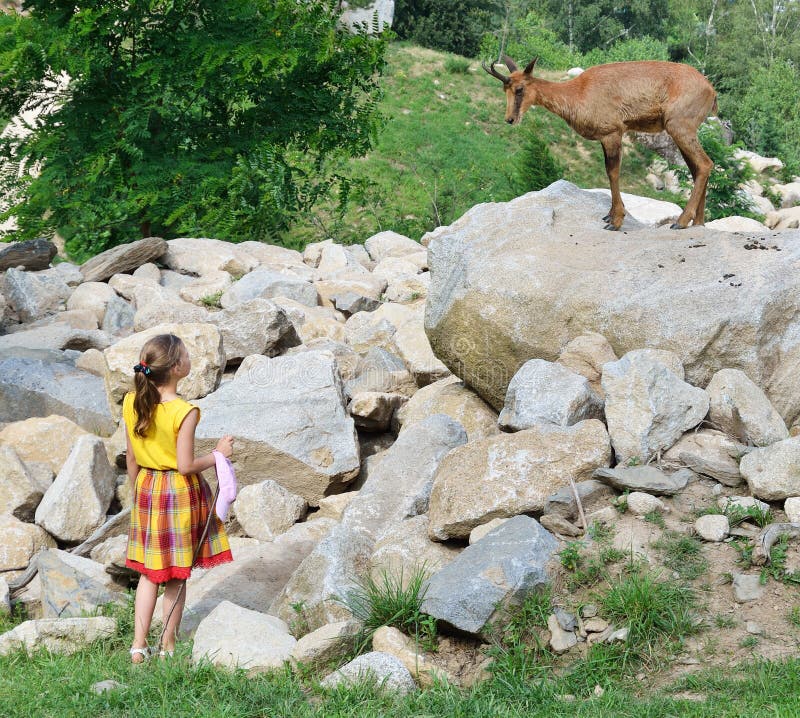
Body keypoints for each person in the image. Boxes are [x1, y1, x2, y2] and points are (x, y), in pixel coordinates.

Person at [122, 333, 234, 662]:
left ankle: (138, 647)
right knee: (177, 574)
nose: (190, 358)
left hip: (145, 487)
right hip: (178, 494)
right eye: (186, 355)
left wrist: (138, 491)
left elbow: (131, 458)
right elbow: (185, 465)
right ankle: (168, 646)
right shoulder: (185, 411)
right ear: (175, 368)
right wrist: (218, 455)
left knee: (148, 573)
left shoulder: (131, 401)